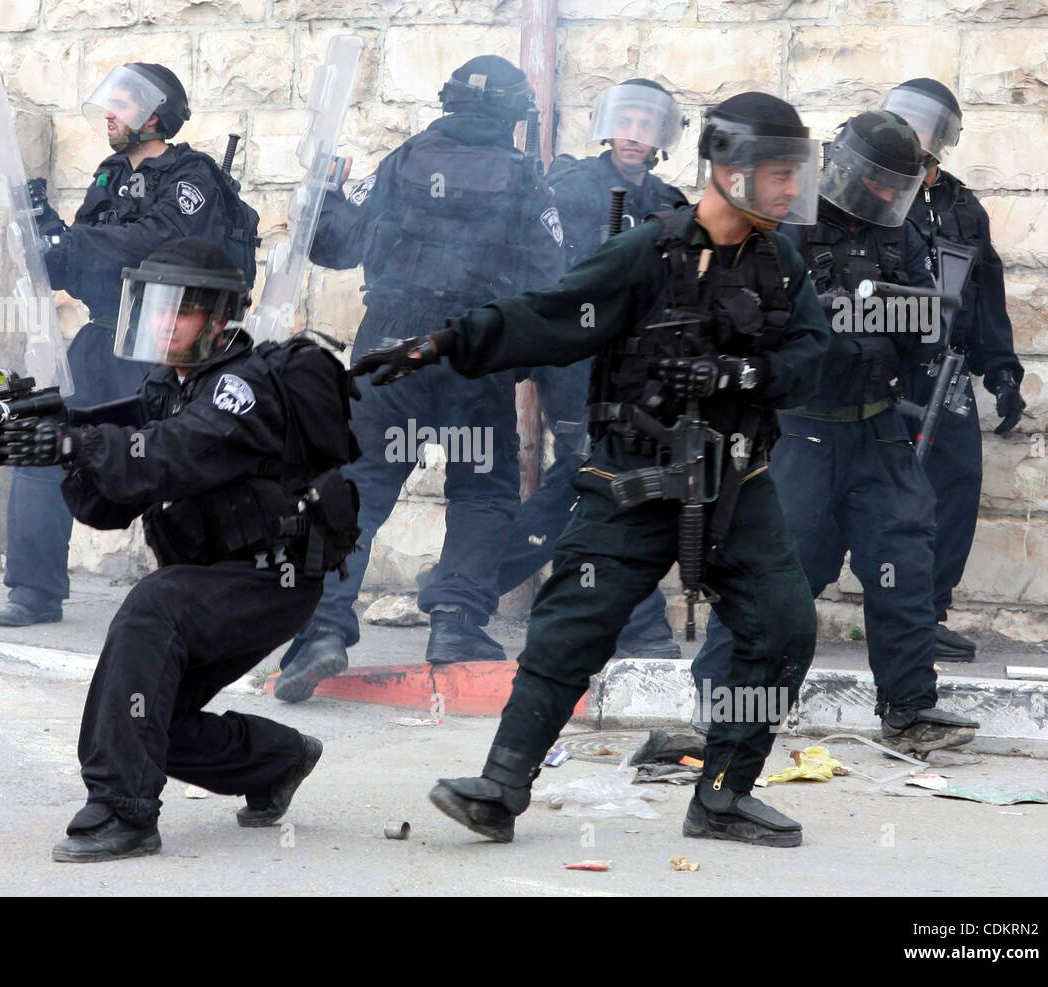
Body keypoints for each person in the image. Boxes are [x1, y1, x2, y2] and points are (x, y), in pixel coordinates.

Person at [356, 92, 829, 847]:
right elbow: (550, 311)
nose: (788, 188)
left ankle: (724, 794)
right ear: (729, 169)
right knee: (568, 631)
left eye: (791, 172)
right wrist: (441, 343)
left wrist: (736, 375)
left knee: (784, 627)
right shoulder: (648, 249)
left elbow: (812, 359)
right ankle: (502, 786)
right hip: (632, 476)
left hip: (736, 477)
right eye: (777, 172)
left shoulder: (782, 262)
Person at [0, 238, 360, 861]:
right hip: (213, 579)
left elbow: (169, 456)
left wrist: (76, 444)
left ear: (218, 319)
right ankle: (276, 760)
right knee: (150, 718)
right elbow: (109, 507)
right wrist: (58, 445)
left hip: (272, 579)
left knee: (152, 604)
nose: (163, 323)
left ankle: (123, 813)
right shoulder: (168, 387)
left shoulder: (241, 390)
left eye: (181, 311)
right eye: (156, 308)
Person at [273, 54, 565, 702]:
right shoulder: (523, 177)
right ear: (515, 116)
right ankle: (456, 623)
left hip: (391, 344)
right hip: (472, 346)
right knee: (482, 490)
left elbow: (333, 247)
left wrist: (318, 194)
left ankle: (322, 625)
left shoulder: (402, 161)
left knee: (359, 485)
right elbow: (551, 277)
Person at [692, 109, 981, 756]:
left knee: (903, 563)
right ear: (845, 167)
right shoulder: (787, 225)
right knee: (778, 569)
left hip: (877, 427)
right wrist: (830, 316)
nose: (885, 196)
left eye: (895, 185)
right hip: (801, 432)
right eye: (877, 181)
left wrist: (905, 316)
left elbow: (926, 323)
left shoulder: (895, 234)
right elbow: (753, 319)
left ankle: (907, 709)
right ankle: (717, 705)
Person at [0, 62, 260, 627]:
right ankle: (34, 591)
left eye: (123, 104)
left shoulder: (192, 175)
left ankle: (219, 600)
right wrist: (46, 238)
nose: (109, 115)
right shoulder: (110, 174)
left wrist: (76, 239)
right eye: (107, 103)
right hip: (104, 336)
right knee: (42, 444)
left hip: (167, 346)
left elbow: (158, 242)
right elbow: (83, 264)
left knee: (181, 470)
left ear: (155, 115)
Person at [498, 79, 690, 659]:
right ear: (608, 125)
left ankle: (471, 580)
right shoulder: (575, 186)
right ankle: (640, 624)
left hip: (643, 371)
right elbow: (545, 269)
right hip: (581, 364)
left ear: (662, 136)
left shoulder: (669, 201)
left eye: (647, 125)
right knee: (607, 477)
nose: (634, 134)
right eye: (625, 121)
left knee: (577, 482)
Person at [882, 78, 1026, 662]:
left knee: (956, 488)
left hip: (949, 371)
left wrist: (1003, 372)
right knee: (871, 487)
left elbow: (986, 297)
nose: (913, 137)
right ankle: (837, 606)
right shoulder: (875, 193)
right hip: (886, 367)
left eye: (924, 126)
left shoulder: (965, 208)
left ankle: (926, 613)